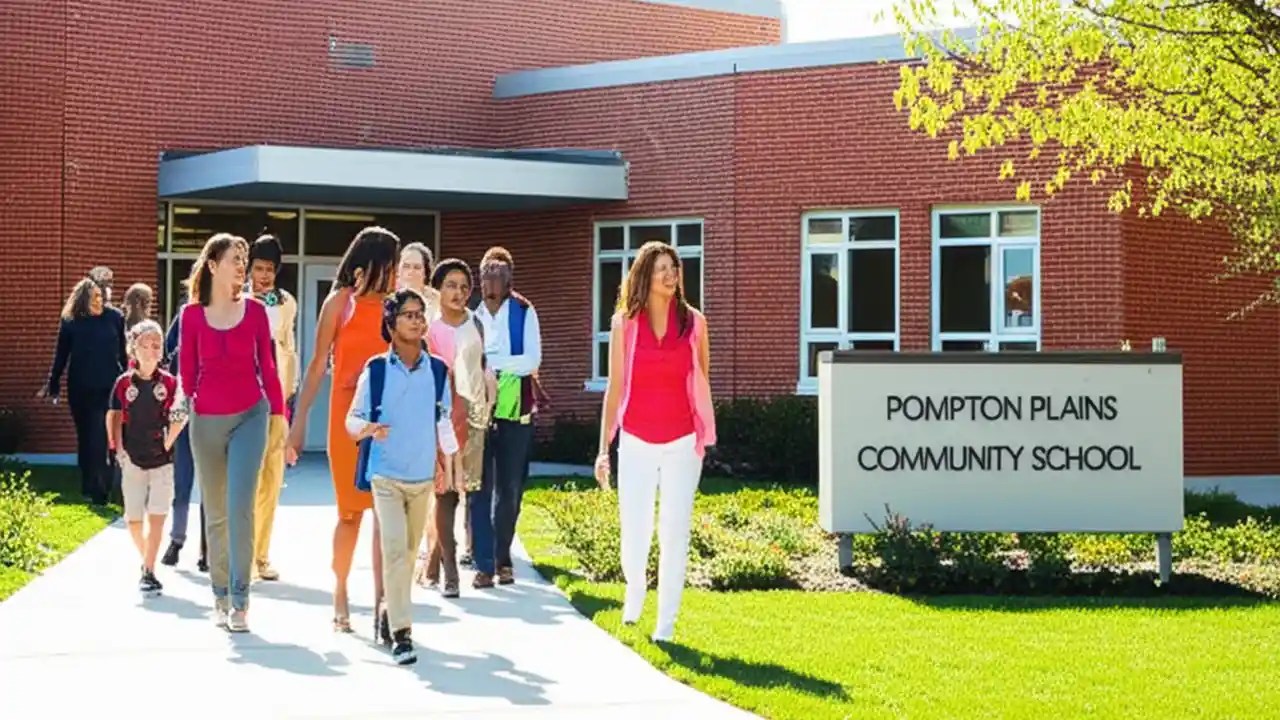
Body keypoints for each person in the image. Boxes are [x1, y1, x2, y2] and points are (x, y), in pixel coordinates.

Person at [594, 241, 715, 644]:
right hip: (636, 439)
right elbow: (614, 388)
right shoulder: (623, 324)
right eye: (661, 268)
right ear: (644, 276)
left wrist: (702, 429)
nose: (670, 274)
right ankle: (634, 593)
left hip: (682, 441)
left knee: (675, 529)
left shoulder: (695, 322)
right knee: (635, 527)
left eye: (674, 267)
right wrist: (602, 449)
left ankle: (666, 623)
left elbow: (701, 378)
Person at [286, 226, 400, 635]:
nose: (397, 272)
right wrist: (298, 422)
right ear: (371, 264)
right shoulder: (341, 303)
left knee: (386, 515)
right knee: (350, 513)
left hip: (389, 422)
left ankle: (383, 605)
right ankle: (339, 590)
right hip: (346, 421)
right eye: (392, 263)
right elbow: (317, 365)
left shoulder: (396, 306)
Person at [179, 233, 287, 633]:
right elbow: (186, 374)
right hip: (205, 419)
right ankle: (220, 594)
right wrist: (185, 410)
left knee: (241, 507)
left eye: (244, 259)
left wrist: (279, 417)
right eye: (234, 259)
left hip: (251, 417)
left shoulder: (257, 312)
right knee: (217, 512)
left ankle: (241, 600)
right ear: (212, 266)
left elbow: (269, 369)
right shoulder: (191, 316)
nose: (242, 266)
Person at [346, 288, 458, 665]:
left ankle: (386, 611)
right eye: (408, 314)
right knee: (394, 551)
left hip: (422, 476)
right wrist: (368, 428)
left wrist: (448, 463)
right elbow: (351, 420)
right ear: (391, 325)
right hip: (386, 476)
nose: (416, 320)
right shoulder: (376, 370)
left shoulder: (439, 370)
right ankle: (402, 634)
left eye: (419, 314)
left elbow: (441, 422)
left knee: (408, 556)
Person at [417, 259, 494, 597]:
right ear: (438, 288)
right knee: (444, 494)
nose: (458, 292)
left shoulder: (476, 324)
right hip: (439, 417)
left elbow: (481, 365)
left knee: (463, 493)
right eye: (451, 285)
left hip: (473, 416)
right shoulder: (428, 327)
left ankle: (433, 564)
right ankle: (450, 571)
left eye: (464, 287)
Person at [470, 246, 541, 588]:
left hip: (516, 412)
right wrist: (488, 367)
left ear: (510, 279)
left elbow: (531, 361)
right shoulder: (472, 316)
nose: (491, 281)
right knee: (479, 487)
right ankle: (483, 563)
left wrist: (491, 365)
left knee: (510, 488)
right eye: (486, 274)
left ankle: (502, 556)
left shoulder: (524, 311)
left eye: (499, 274)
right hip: (479, 413)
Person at [106, 320, 184, 596]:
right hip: (133, 458)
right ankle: (146, 560)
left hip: (162, 461)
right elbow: (114, 416)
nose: (151, 350)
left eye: (156, 345)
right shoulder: (123, 383)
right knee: (134, 518)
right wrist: (117, 449)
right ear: (133, 349)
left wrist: (169, 440)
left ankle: (149, 571)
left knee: (158, 516)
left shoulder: (171, 383)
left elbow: (180, 414)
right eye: (145, 345)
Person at [40, 278, 127, 505]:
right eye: (94, 297)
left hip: (109, 387)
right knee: (87, 437)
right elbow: (62, 354)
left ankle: (102, 489)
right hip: (81, 387)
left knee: (102, 435)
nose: (100, 301)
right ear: (83, 300)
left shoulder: (115, 318)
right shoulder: (72, 322)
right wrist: (54, 382)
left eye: (101, 296)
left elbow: (123, 354)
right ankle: (89, 484)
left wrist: (130, 380)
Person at [247, 233, 299, 581]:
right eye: (259, 268)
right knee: (243, 480)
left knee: (271, 477)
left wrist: (289, 395)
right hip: (243, 399)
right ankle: (239, 554)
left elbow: (290, 350)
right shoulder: (236, 299)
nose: (264, 276)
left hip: (276, 400)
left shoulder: (285, 303)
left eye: (270, 269)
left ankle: (261, 555)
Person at [160, 299, 206, 572]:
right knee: (183, 482)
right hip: (184, 414)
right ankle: (176, 541)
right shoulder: (185, 320)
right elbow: (167, 356)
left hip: (213, 414)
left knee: (210, 487)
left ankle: (207, 549)